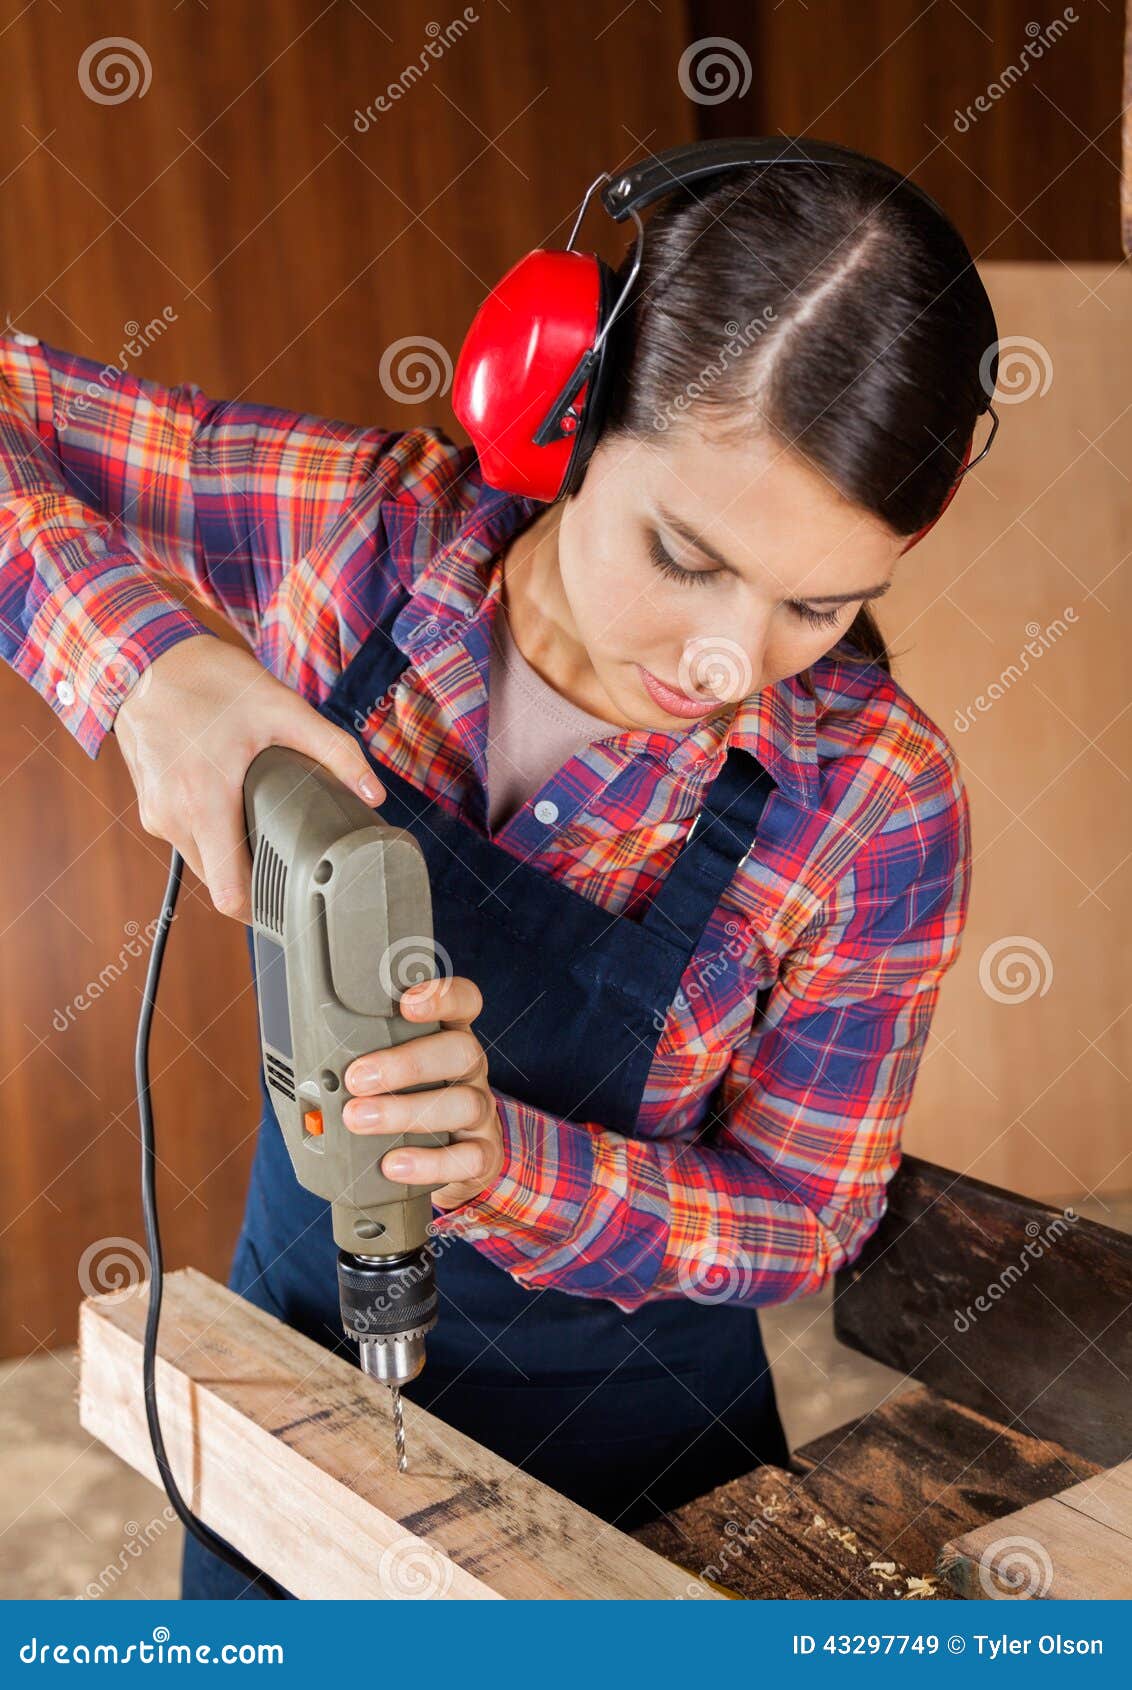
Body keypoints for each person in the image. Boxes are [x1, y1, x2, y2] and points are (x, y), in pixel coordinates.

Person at [0, 147, 994, 1599]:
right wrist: (147, 673)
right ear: (561, 410)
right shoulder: (367, 542)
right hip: (295, 1368)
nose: (726, 654)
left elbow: (813, 1205)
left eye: (817, 605)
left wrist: (511, 1168)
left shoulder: (874, 800)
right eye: (681, 552)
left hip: (641, 1465)